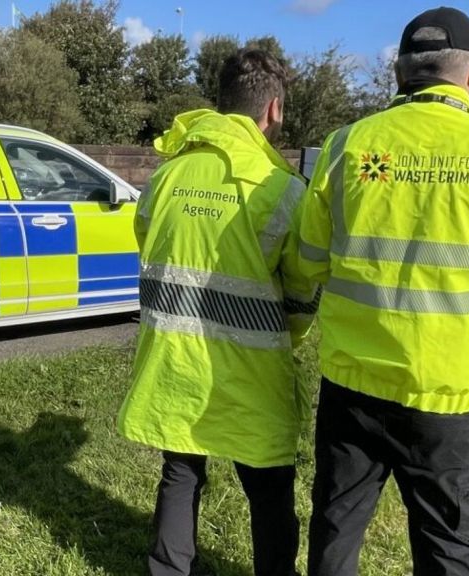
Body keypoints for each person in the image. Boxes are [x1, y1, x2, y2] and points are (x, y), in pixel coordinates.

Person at [298, 7, 469, 575]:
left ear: (399, 73)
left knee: (337, 527)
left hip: (352, 379)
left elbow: (309, 260)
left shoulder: (347, 145)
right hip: (451, 391)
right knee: (448, 543)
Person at [118, 48, 319, 576]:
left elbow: (150, 248)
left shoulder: (165, 178)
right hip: (253, 371)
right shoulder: (285, 191)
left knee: (181, 471)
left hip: (174, 363)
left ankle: (169, 570)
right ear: (273, 110)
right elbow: (302, 289)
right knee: (269, 486)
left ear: (223, 101)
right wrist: (285, 335)